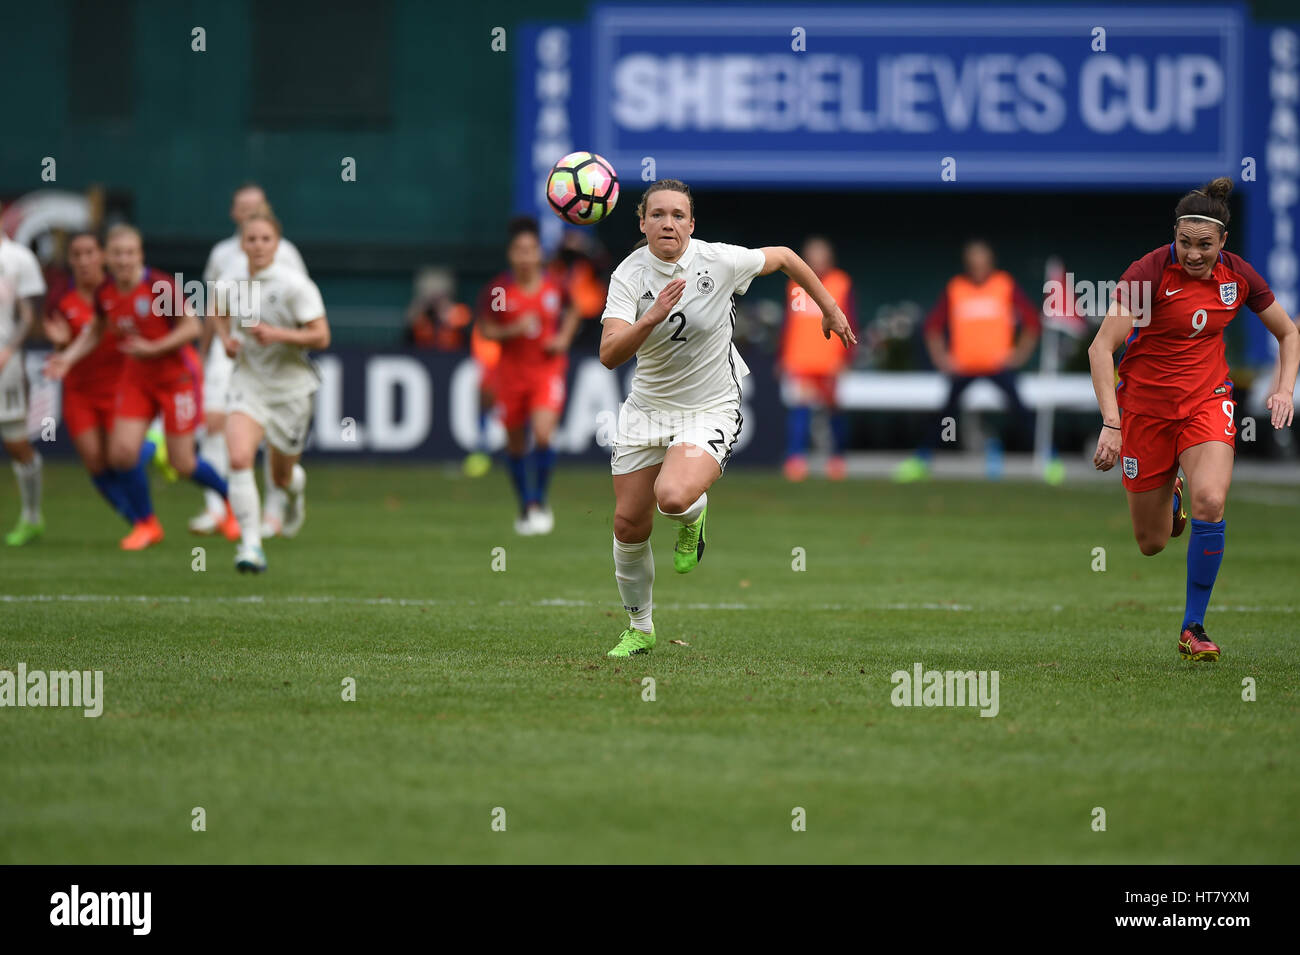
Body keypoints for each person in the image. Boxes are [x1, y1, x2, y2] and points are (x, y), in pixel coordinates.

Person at [599, 179, 856, 658]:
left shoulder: (718, 260)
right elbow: (610, 354)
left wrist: (830, 308)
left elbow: (784, 256)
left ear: (692, 225)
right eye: (658, 214)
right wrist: (650, 317)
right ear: (642, 223)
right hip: (647, 410)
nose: (668, 223)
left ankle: (692, 518)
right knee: (627, 525)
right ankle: (640, 627)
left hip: (709, 404)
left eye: (678, 215)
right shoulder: (628, 276)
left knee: (672, 497)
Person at [1089, 177, 1299, 662]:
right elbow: (1101, 348)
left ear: (1223, 241)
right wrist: (1112, 423)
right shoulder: (1149, 272)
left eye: (1205, 245)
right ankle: (1171, 496)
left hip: (1207, 403)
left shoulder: (1238, 276)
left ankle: (1193, 627)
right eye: (1185, 243)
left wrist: (1284, 387)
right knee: (1151, 543)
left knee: (1212, 499)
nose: (1194, 254)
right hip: (1144, 412)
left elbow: (1288, 333)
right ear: (1174, 237)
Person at [46, 224, 234, 550]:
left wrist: (154, 348)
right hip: (137, 378)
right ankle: (147, 524)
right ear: (108, 256)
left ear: (140, 254)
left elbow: (192, 326)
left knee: (183, 464)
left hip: (176, 379)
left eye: (130, 253)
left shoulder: (158, 286)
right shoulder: (106, 292)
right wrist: (69, 358)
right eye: (117, 253)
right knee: (121, 455)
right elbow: (95, 331)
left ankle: (232, 505)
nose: (123, 260)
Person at [211, 209, 329, 573]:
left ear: (277, 244)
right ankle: (250, 546)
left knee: (280, 476)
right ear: (242, 244)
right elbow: (215, 310)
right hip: (248, 382)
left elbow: (321, 336)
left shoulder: (295, 285)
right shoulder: (229, 279)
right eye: (252, 239)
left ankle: (295, 490)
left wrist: (279, 334)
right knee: (239, 458)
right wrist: (226, 339)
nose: (259, 245)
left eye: (266, 239)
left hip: (291, 390)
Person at [192, 183, 308, 538]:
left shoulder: (285, 253)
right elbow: (214, 305)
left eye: (255, 206)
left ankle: (275, 509)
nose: (248, 212)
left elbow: (303, 308)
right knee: (215, 423)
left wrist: (285, 343)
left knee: (271, 441)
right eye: (242, 207)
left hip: (271, 356)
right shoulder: (221, 254)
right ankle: (218, 508)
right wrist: (209, 346)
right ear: (233, 212)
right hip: (231, 352)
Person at [894, 239, 1040, 481]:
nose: (978, 264)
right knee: (946, 416)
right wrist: (942, 358)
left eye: (982, 259)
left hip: (997, 366)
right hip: (965, 367)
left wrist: (1019, 354)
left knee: (1022, 411)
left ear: (990, 261)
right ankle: (923, 459)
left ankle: (1047, 457)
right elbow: (933, 327)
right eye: (973, 260)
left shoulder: (1004, 284)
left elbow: (1032, 322)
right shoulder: (957, 288)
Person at [475, 216, 580, 535]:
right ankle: (525, 504)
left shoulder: (555, 286)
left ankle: (540, 499)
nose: (525, 256)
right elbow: (485, 329)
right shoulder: (498, 290)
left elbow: (574, 310)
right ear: (511, 254)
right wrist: (512, 330)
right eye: (519, 250)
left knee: (544, 433)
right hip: (510, 374)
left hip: (546, 370)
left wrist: (562, 339)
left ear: (539, 253)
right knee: (516, 444)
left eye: (531, 250)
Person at [43, 232, 154, 531]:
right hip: (80, 392)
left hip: (120, 386)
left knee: (120, 457)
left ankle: (145, 517)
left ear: (103, 256)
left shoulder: (119, 292)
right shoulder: (60, 300)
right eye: (76, 255)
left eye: (89, 253)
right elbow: (61, 351)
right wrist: (61, 346)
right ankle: (137, 522)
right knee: (95, 463)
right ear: (70, 261)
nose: (83, 261)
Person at [778, 235, 857, 481]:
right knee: (800, 411)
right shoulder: (795, 285)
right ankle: (796, 459)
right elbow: (791, 323)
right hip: (801, 360)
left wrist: (846, 357)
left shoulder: (841, 283)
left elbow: (850, 320)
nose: (817, 260)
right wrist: (784, 356)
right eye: (812, 255)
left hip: (830, 360)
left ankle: (837, 459)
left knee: (834, 412)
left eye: (821, 255)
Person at [0, 230, 47, 545]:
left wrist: (10, 349)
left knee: (16, 445)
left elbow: (30, 315)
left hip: (5, 362)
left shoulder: (18, 257)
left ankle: (32, 516)